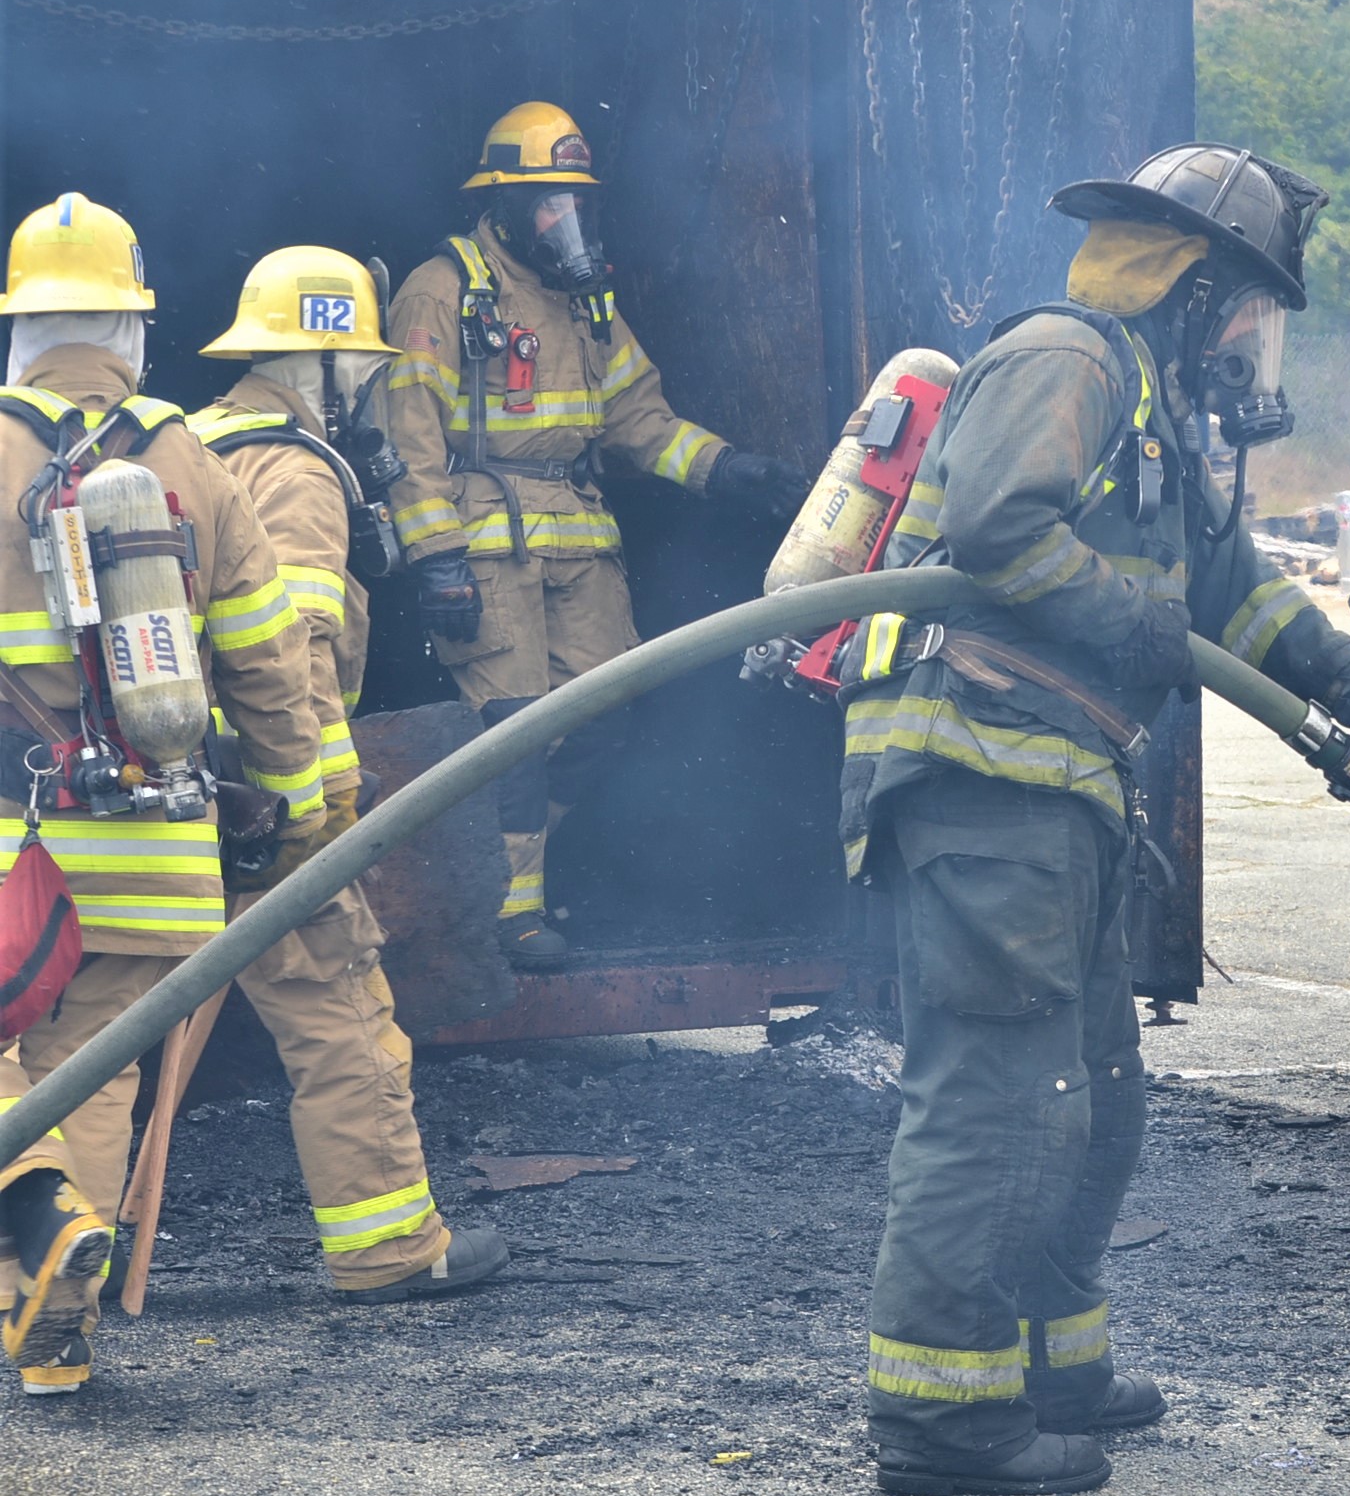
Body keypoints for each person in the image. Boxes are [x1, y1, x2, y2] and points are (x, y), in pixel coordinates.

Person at [837, 144, 1350, 1496]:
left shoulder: (1151, 413)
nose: (1252, 343)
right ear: (1193, 287)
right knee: (998, 1102)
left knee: (1093, 1100)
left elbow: (1232, 593)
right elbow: (998, 526)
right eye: (1249, 310)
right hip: (983, 776)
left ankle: (1052, 1367)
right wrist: (1138, 628)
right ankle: (941, 1417)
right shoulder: (1067, 359)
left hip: (1057, 788)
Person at [0, 194, 328, 1395]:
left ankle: (36, 1213)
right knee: (92, 1073)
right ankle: (55, 1333)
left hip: (17, 843)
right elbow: (269, 661)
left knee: (20, 1067)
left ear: (21, 331)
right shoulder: (191, 459)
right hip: (159, 848)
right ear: (132, 332)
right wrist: (299, 807)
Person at [386, 102, 816, 965]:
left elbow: (638, 420)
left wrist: (728, 469)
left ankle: (499, 883)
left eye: (576, 202)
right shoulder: (443, 289)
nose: (565, 220)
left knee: (601, 725)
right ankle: (509, 919)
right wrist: (436, 560)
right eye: (548, 203)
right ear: (503, 203)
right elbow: (409, 435)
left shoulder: (588, 301)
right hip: (487, 547)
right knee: (513, 736)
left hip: (580, 543)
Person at [190, 246, 508, 1307]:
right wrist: (322, 812)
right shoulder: (297, 473)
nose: (368, 393)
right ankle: (390, 1248)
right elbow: (295, 654)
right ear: (323, 364)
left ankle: (44, 1272)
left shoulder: (188, 444)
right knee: (338, 1004)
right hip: (258, 802)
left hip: (162, 796)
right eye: (361, 371)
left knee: (92, 1037)